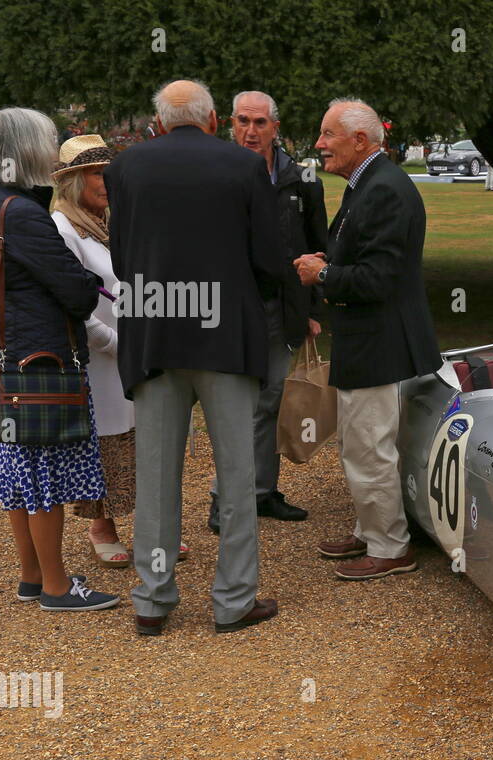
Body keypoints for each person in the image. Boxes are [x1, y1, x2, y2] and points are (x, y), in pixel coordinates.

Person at [106, 79, 287, 635]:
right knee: (236, 475)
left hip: (154, 334)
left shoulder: (125, 168)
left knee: (157, 475)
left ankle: (152, 599)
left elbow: (120, 256)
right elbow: (268, 259)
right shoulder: (243, 167)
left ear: (159, 123)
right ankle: (233, 600)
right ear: (212, 120)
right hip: (224, 337)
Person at [0, 108, 120, 612]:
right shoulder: (22, 211)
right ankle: (56, 588)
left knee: (21, 475)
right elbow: (76, 292)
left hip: (12, 354)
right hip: (42, 360)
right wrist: (87, 286)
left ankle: (33, 576)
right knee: (45, 477)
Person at [294, 99, 441, 581]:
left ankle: (389, 546)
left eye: (327, 134)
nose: (319, 144)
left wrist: (324, 274)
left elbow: (378, 279)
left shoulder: (383, 190)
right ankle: (372, 526)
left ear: (360, 140)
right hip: (372, 341)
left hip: (379, 343)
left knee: (367, 445)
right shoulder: (370, 183)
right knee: (361, 442)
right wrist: (331, 261)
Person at [51, 134, 186, 570]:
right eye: (95, 173)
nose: (106, 181)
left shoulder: (115, 220)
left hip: (139, 349)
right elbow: (70, 302)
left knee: (147, 439)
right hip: (101, 357)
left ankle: (155, 530)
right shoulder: (62, 227)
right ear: (73, 180)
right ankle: (101, 528)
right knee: (108, 444)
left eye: (109, 172)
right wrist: (112, 343)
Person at [207, 90, 326, 535]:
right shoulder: (216, 172)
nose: (251, 131)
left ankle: (262, 492)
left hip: (283, 306)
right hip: (232, 309)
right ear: (230, 125)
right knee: (233, 405)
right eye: (242, 121)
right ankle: (224, 498)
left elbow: (318, 244)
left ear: (276, 127)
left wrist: (313, 308)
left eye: (260, 122)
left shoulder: (303, 176)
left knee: (272, 401)